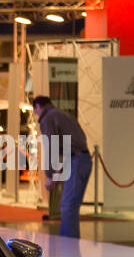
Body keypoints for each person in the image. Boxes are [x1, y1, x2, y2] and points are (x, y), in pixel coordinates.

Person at [33, 95, 92, 239]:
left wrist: (50, 175)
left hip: (76, 161)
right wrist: (57, 175)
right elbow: (69, 149)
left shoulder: (48, 118)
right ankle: (70, 244)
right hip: (82, 159)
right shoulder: (62, 115)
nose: (36, 114)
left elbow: (52, 146)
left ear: (39, 107)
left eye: (35, 110)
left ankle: (68, 247)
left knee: (67, 207)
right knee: (70, 207)